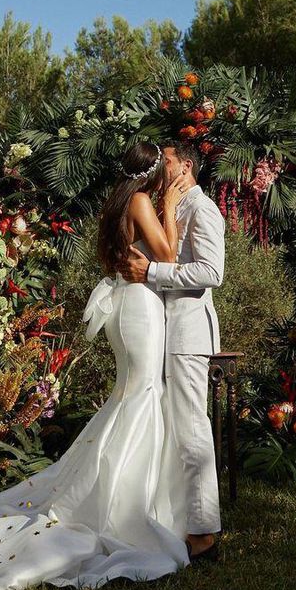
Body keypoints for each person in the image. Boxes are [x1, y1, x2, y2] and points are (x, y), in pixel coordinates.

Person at [0, 140, 195, 590]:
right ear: (152, 172)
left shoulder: (118, 201)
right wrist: (170, 205)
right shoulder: (143, 200)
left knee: (133, 393)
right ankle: (121, 507)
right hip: (140, 307)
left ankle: (132, 496)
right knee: (142, 391)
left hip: (129, 305)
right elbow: (167, 258)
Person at [118, 140, 225, 563]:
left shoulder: (203, 209)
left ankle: (204, 534)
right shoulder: (172, 209)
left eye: (165, 162)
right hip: (162, 332)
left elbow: (211, 271)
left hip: (187, 335)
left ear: (186, 166)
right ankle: (178, 521)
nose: (159, 169)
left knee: (191, 429)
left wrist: (153, 271)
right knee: (174, 431)